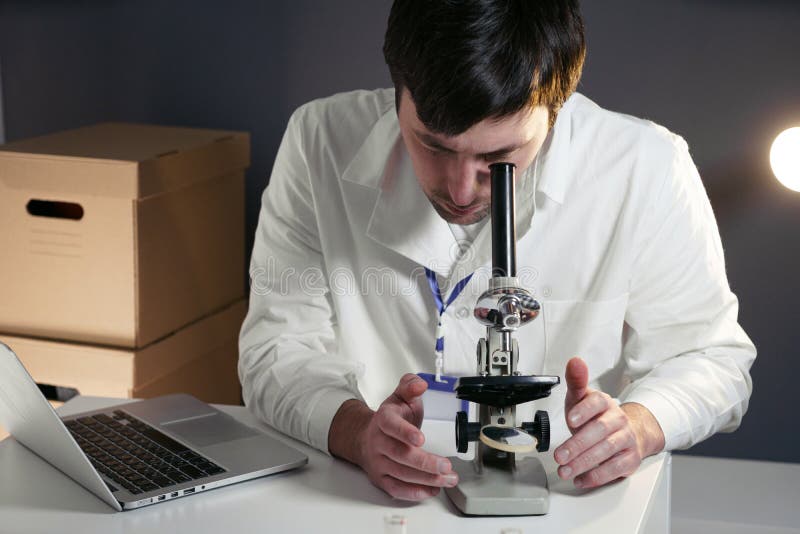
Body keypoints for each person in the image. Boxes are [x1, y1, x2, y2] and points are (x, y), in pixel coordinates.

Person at [239, 0, 756, 501]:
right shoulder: (319, 141)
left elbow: (711, 358)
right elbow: (275, 350)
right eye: (433, 146)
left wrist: (637, 428)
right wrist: (358, 433)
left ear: (556, 108)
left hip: (565, 492)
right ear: (398, 90)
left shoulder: (645, 166)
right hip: (370, 496)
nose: (461, 190)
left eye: (499, 157)